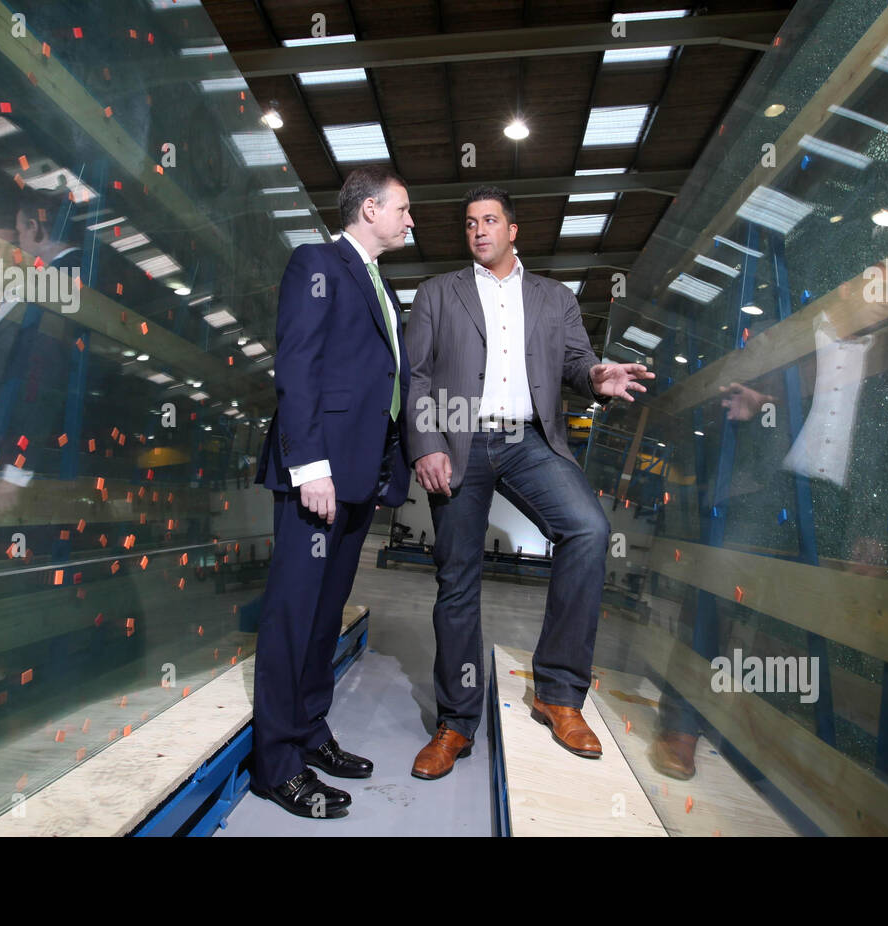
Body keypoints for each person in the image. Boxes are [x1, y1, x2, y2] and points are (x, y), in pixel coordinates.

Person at [404, 185, 652, 779]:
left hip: (528, 440)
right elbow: (413, 376)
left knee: (588, 530)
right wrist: (427, 445)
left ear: (514, 231)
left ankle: (559, 694)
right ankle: (456, 722)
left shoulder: (553, 296)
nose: (478, 230)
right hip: (460, 441)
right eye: (469, 223)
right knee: (457, 578)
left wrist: (597, 374)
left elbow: (574, 363)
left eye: (490, 220)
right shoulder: (438, 294)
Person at [251, 165, 413, 818]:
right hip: (317, 476)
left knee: (324, 618)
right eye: (403, 208)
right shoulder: (315, 263)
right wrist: (310, 465)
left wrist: (379, 473)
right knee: (293, 620)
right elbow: (296, 363)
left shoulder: (384, 289)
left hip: (358, 477)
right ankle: (277, 765)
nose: (410, 219)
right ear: (369, 209)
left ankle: (311, 733)